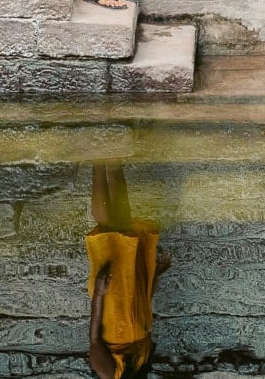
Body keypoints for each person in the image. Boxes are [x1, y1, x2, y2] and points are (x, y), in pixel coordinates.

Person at [87, 161, 169, 379]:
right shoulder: (139, 369)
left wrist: (99, 293)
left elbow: (94, 339)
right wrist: (154, 276)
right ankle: (114, 163)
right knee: (125, 228)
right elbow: (144, 313)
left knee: (107, 231)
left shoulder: (110, 374)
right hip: (133, 295)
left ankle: (98, 162)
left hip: (111, 299)